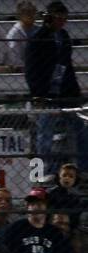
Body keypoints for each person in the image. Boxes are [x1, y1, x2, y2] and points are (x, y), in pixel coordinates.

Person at [27, 2, 88, 174]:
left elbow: (67, 66)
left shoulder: (63, 36)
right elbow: (32, 69)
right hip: (47, 93)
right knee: (44, 135)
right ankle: (43, 172)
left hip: (66, 92)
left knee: (80, 130)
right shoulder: (38, 37)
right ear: (49, 17)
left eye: (64, 18)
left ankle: (83, 170)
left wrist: (76, 93)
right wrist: (37, 94)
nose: (62, 21)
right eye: (58, 17)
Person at [48, 162, 84, 228]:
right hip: (53, 223)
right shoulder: (52, 192)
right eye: (64, 175)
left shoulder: (76, 195)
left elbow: (77, 215)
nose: (67, 178)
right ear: (59, 177)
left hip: (70, 224)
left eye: (71, 176)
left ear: (75, 180)